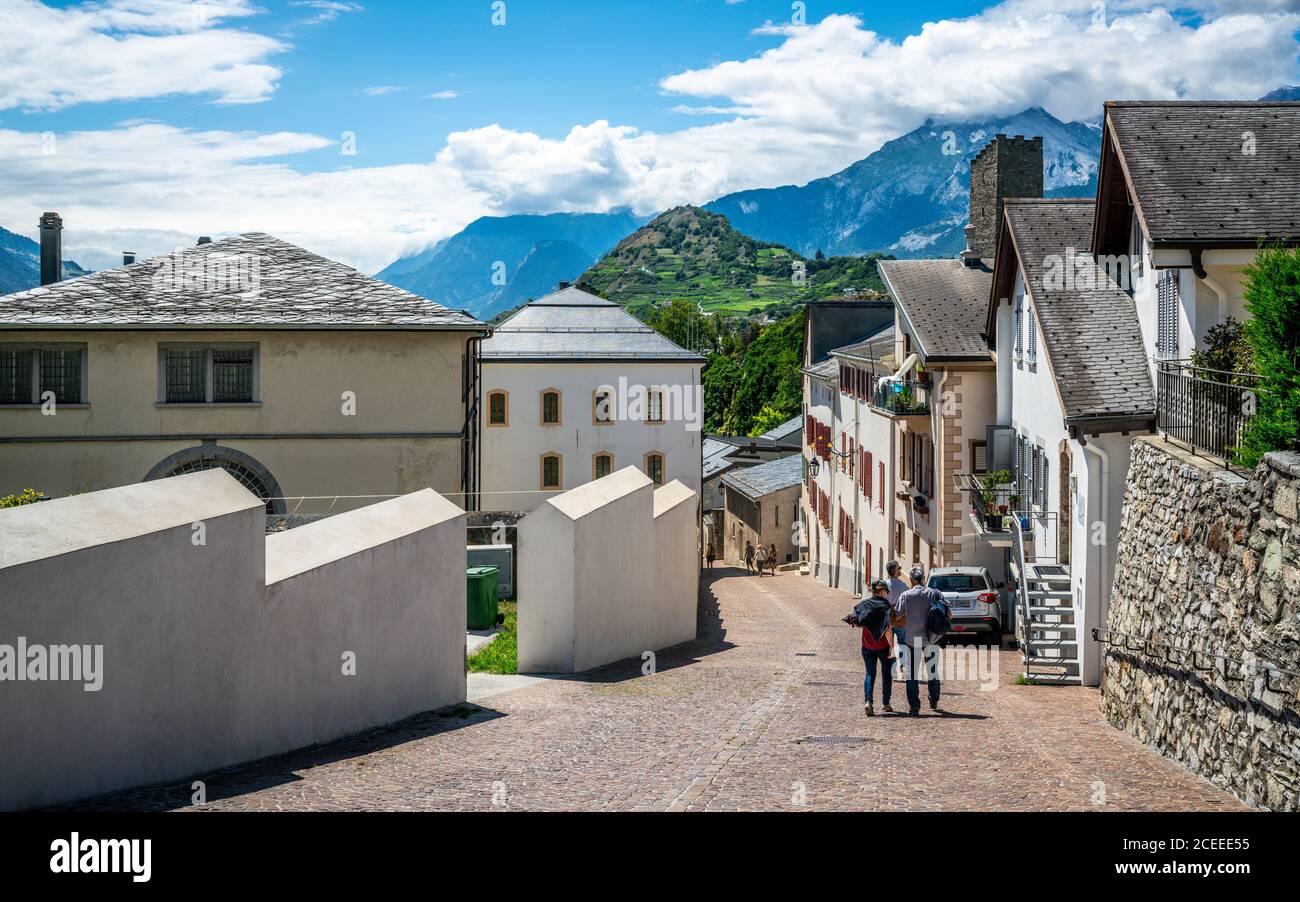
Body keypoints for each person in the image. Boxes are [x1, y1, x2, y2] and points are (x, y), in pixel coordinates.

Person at [897, 564, 944, 715]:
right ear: (923, 579)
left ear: (911, 580)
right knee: (932, 670)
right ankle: (934, 698)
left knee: (912, 673)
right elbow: (949, 614)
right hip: (931, 638)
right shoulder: (935, 593)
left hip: (913, 638)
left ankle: (914, 706)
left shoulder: (906, 595)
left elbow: (897, 614)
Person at [855, 579, 895, 716]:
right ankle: (886, 703)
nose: (887, 594)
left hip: (867, 645)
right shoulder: (885, 607)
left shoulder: (864, 605)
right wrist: (892, 646)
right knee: (886, 674)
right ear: (882, 591)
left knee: (870, 674)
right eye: (886, 591)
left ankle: (868, 701)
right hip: (883, 646)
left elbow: (855, 620)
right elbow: (888, 629)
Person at [884, 561, 909, 648]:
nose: (900, 570)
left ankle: (890, 661)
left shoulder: (884, 585)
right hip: (900, 620)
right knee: (902, 645)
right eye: (899, 568)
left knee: (887, 645)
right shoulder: (903, 586)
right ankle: (903, 661)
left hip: (887, 620)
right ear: (895, 570)